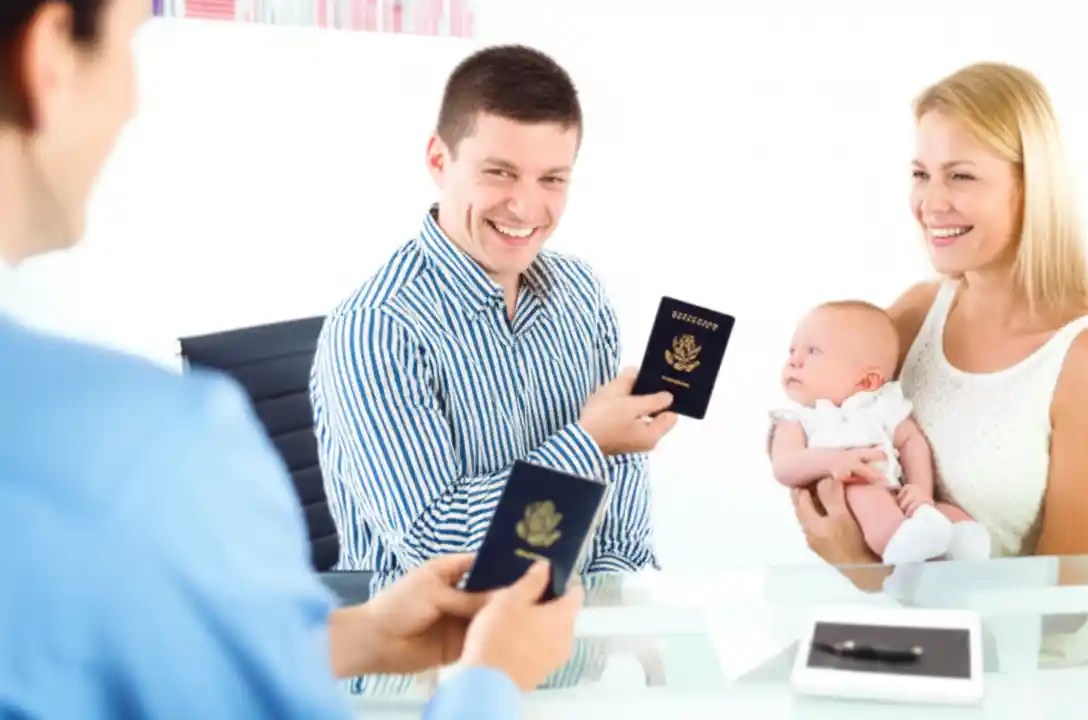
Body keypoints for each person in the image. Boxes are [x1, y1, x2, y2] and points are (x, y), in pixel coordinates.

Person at [0, 2, 579, 717]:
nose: (130, 105)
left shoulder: (580, 296)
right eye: (129, 46)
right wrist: (490, 678)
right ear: (50, 55)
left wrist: (358, 635)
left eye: (554, 177)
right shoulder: (150, 452)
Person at [310, 45, 677, 595]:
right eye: (500, 173)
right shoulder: (377, 328)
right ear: (439, 161)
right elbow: (436, 546)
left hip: (580, 651)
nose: (527, 208)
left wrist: (626, 618)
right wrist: (588, 444)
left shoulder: (583, 295)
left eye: (552, 179)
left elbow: (621, 504)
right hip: (433, 663)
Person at [790, 62, 1088, 571]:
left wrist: (867, 571)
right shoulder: (916, 314)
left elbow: (1069, 596)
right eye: (921, 175)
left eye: (960, 176)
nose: (931, 203)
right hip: (888, 629)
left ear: (1030, 187)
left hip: (1016, 643)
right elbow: (815, 415)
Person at [769, 300, 991, 565]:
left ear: (866, 381)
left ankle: (960, 540)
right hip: (847, 490)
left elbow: (912, 441)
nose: (794, 361)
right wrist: (834, 462)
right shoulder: (799, 418)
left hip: (892, 488)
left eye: (812, 351)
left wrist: (920, 490)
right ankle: (903, 543)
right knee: (868, 498)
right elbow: (785, 465)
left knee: (937, 511)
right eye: (792, 351)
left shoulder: (882, 405)